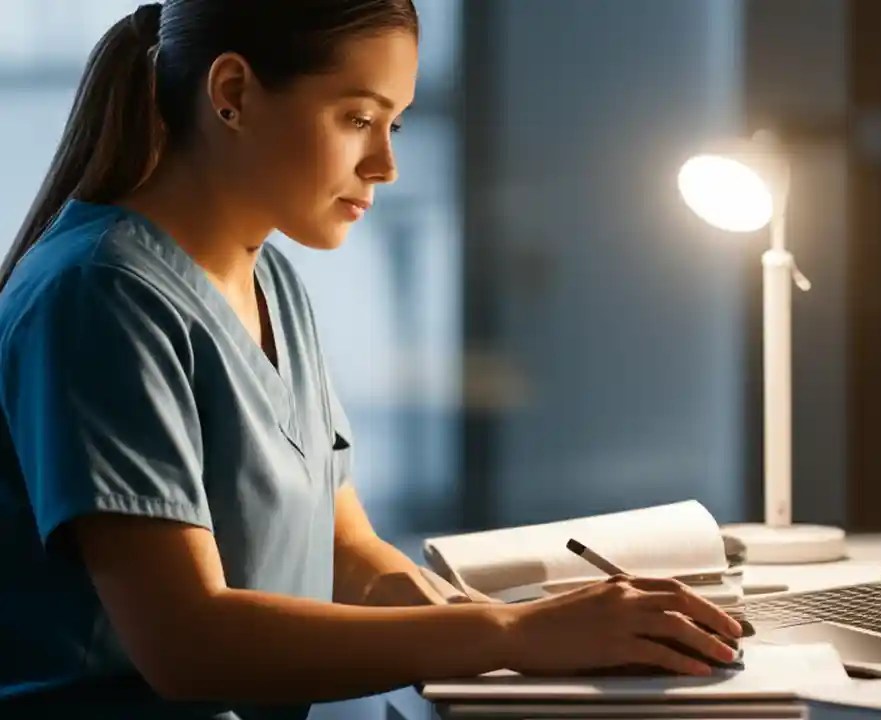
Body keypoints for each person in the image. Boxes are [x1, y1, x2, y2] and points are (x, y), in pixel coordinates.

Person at [0, 2, 743, 718]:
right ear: (231, 93)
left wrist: (541, 626)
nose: (386, 163)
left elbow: (348, 551)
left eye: (395, 123)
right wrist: (512, 636)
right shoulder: (99, 295)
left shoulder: (270, 282)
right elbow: (185, 643)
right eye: (358, 118)